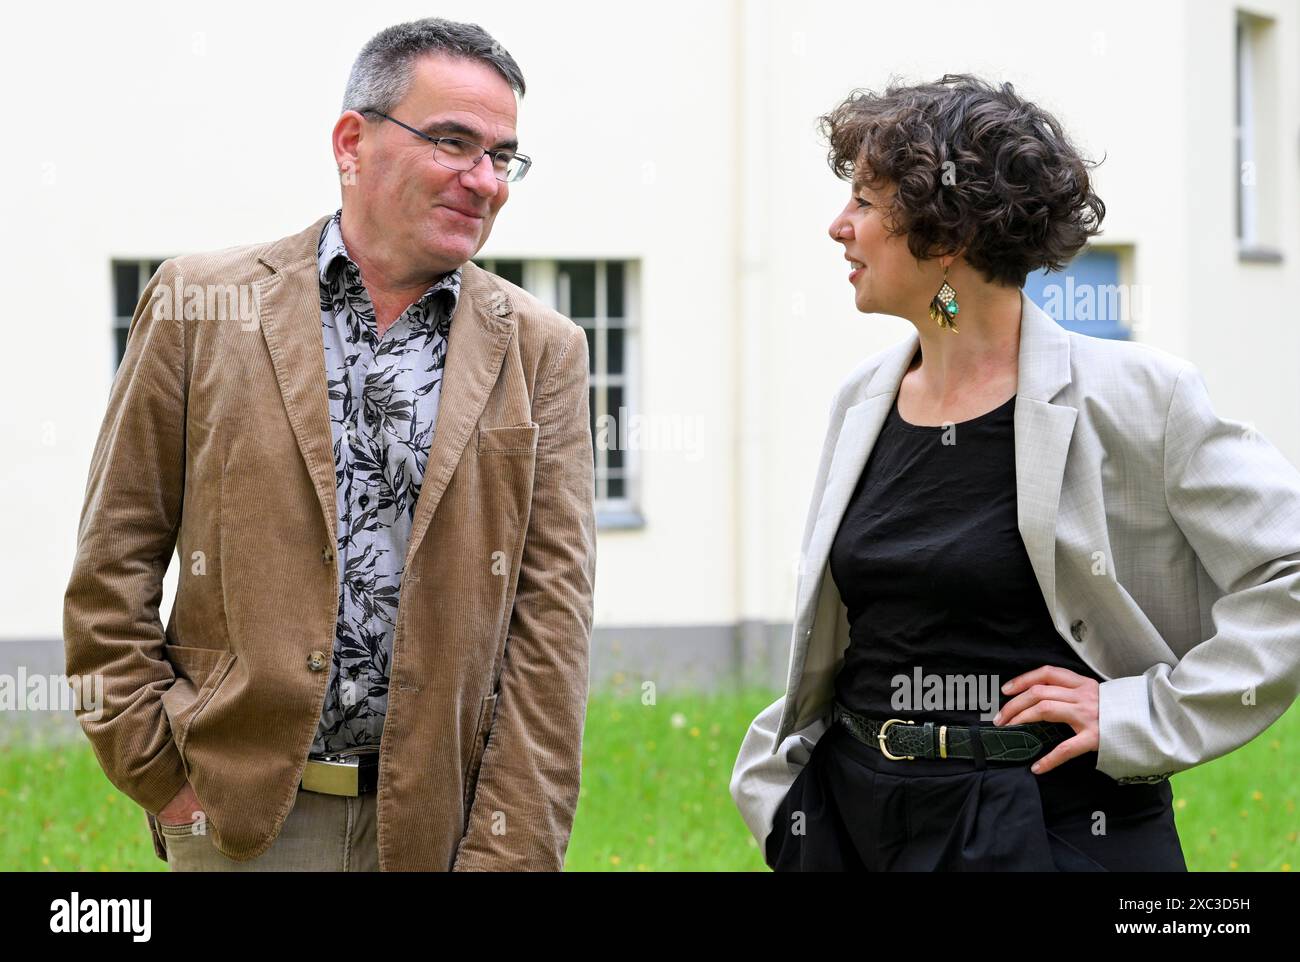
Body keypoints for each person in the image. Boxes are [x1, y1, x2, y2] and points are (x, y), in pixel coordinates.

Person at [63, 17, 596, 871]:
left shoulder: (544, 350)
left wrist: (512, 849)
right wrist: (165, 782)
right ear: (354, 141)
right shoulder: (201, 305)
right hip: (240, 824)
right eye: (454, 142)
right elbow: (110, 567)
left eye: (504, 157)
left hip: (441, 829)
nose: (486, 180)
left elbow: (550, 631)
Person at [731, 73, 1300, 871]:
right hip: (855, 823)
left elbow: (1288, 572)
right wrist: (785, 806)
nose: (838, 227)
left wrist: (1143, 712)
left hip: (1053, 830)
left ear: (945, 233)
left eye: (863, 202)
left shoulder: (1142, 396)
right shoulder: (863, 399)